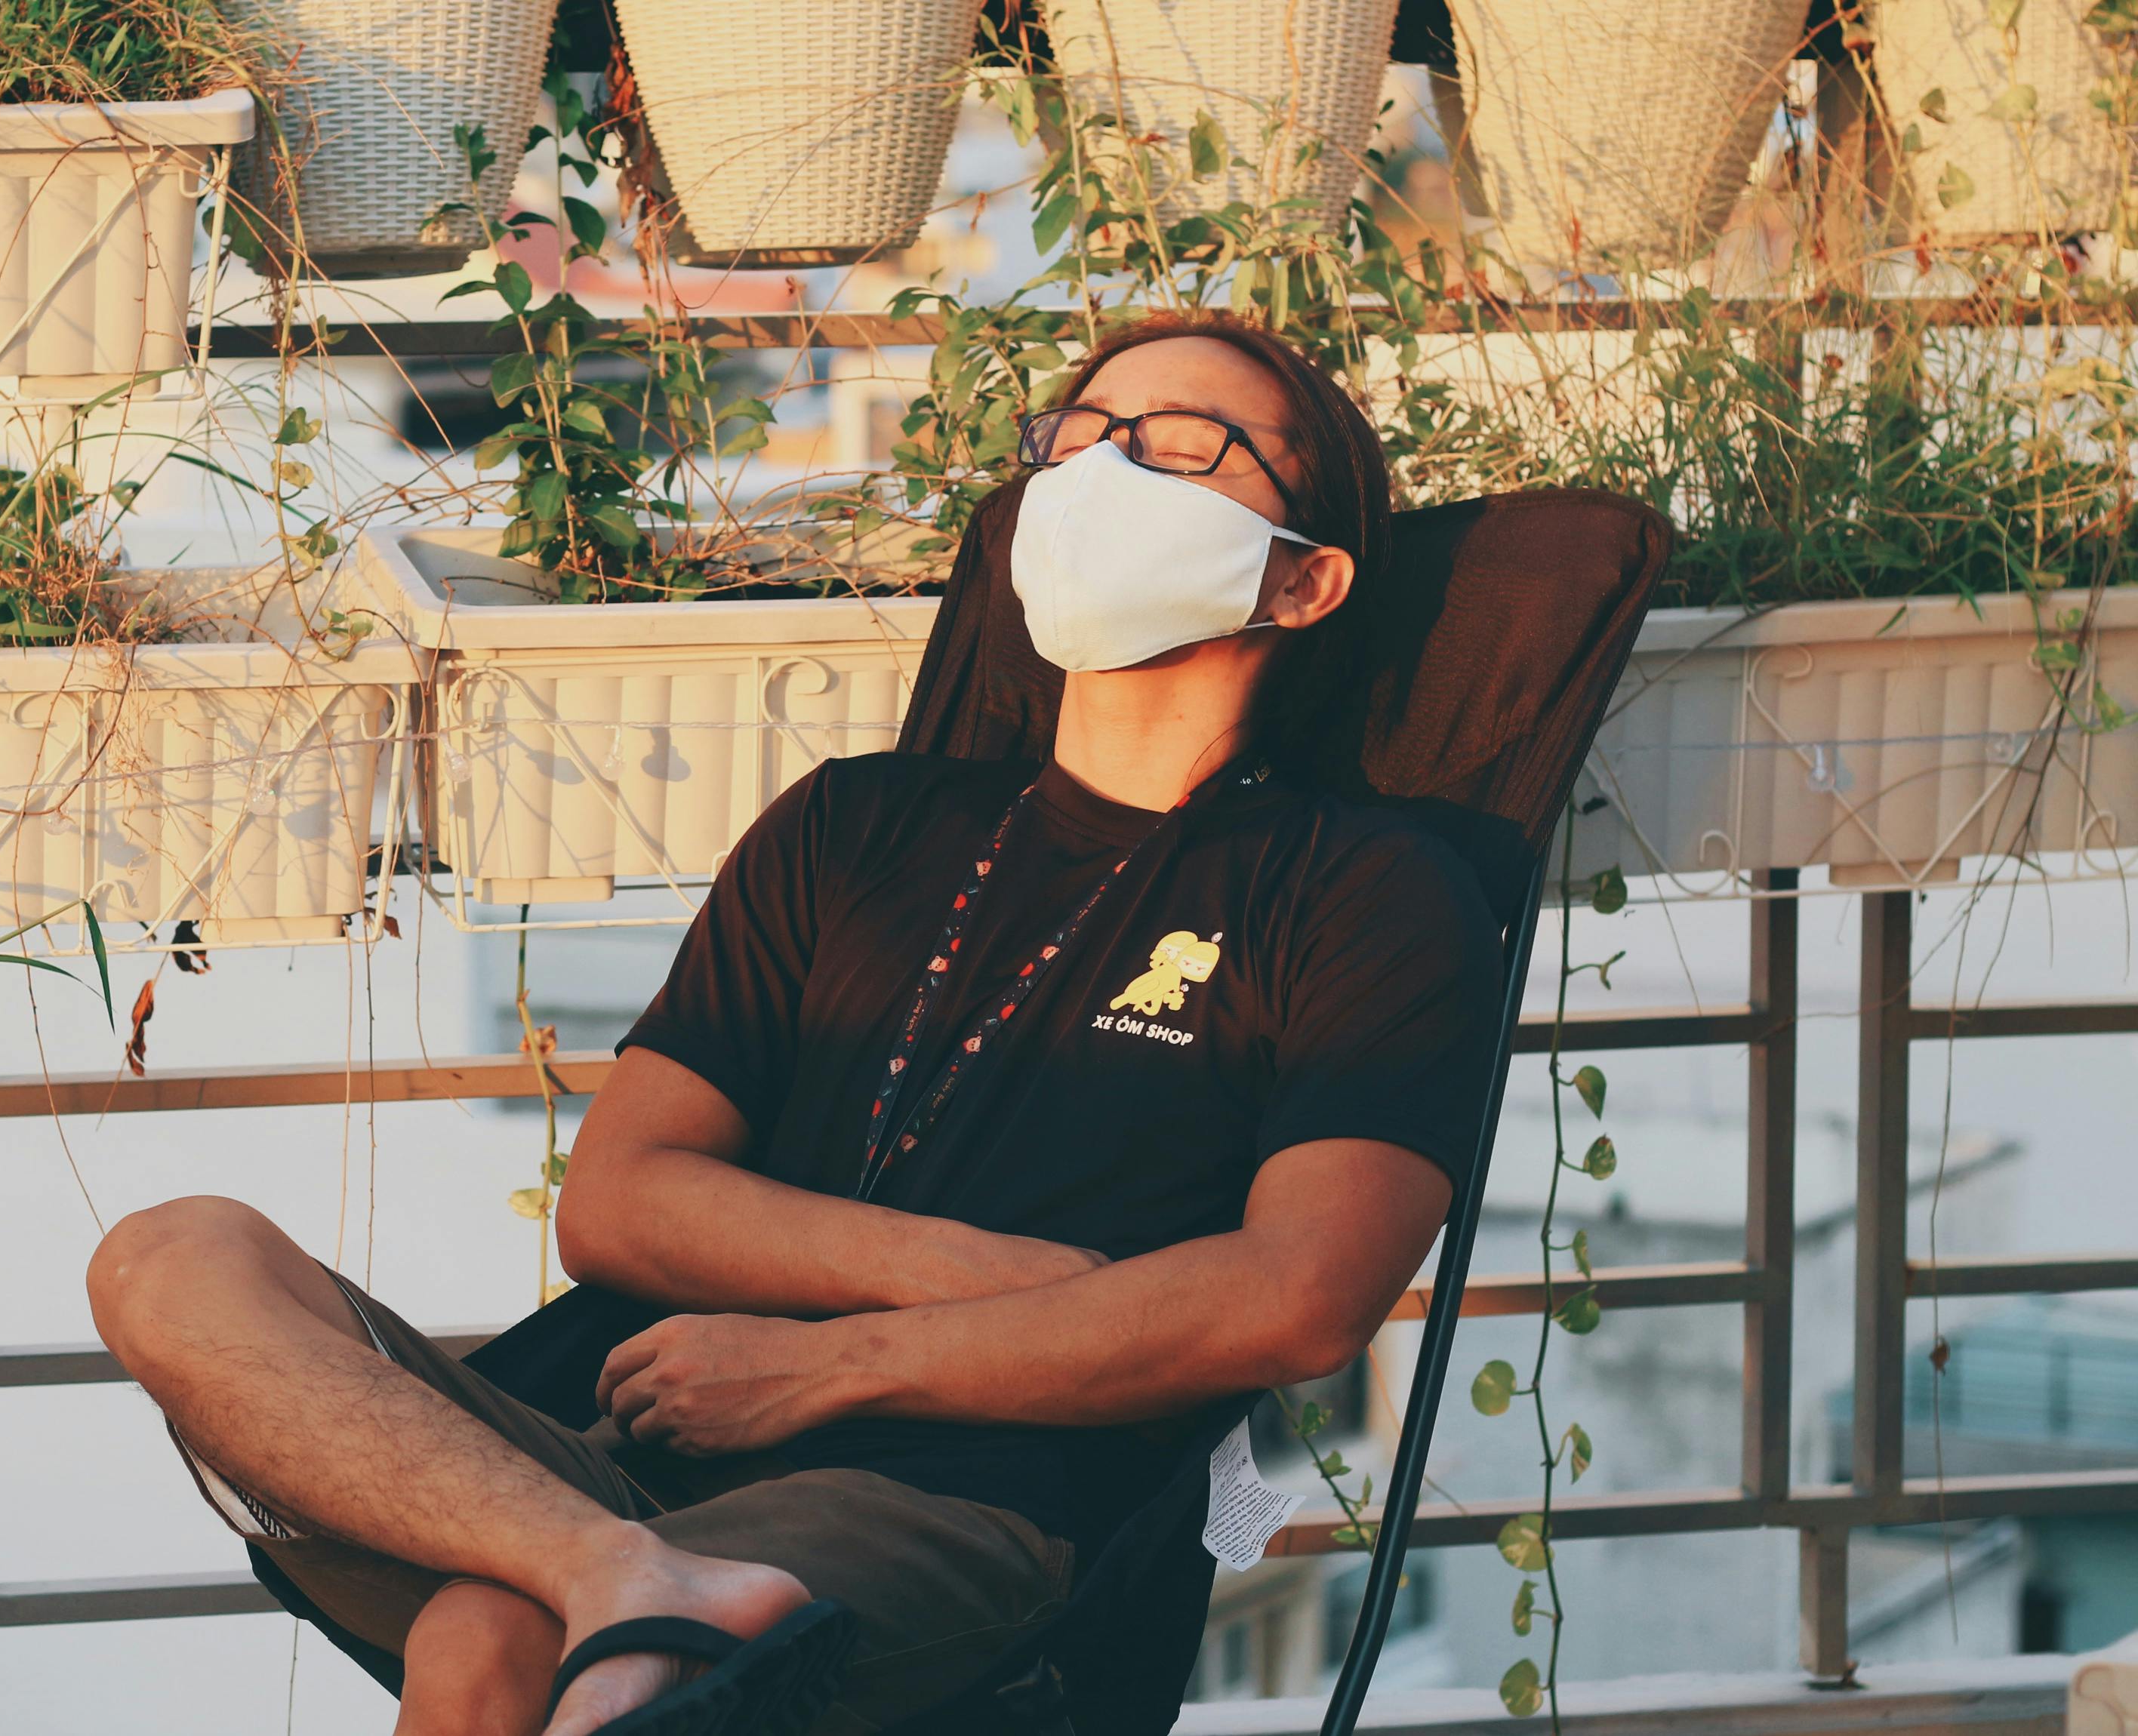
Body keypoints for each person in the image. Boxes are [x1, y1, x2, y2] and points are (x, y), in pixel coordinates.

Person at [88, 311, 1508, 1736]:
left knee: (488, 1636)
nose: (1099, 473)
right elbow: (621, 1204)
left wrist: (827, 1365)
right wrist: (979, 1273)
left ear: (1305, 580)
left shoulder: (1367, 888)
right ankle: (620, 1574)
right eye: (1077, 438)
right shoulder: (856, 824)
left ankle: (626, 1591)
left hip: (966, 1488)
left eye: (1179, 447)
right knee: (174, 1259)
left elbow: (1299, 1295)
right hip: (630, 1431)